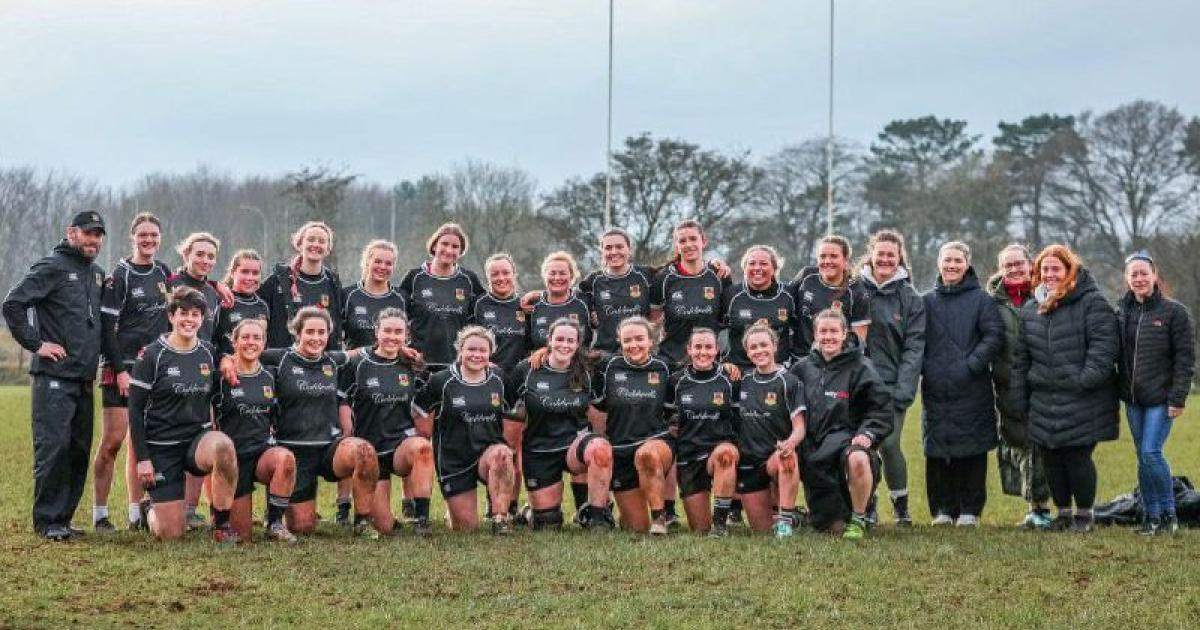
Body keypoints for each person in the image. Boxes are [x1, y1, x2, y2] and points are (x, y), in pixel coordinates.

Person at [227, 307, 380, 537]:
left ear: (328, 335)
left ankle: (361, 522)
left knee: (364, 451)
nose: (316, 338)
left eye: (322, 332)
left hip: (329, 448)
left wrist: (399, 349)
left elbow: (358, 353)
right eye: (310, 332)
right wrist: (225, 361)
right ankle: (275, 516)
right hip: (293, 453)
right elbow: (242, 353)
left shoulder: (332, 360)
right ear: (297, 333)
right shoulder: (279, 359)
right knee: (303, 527)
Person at [3, 211, 107, 540]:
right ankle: (47, 521)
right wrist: (36, 344)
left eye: (98, 235)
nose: (93, 241)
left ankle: (63, 518)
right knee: (54, 448)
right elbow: (13, 304)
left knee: (78, 451)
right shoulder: (52, 267)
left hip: (84, 380)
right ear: (71, 233)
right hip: (54, 380)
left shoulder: (97, 274)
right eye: (88, 234)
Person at [1012, 244, 1119, 533]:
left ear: (1069, 269)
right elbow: (1021, 359)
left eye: (1055, 268)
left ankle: (1084, 516)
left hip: (1084, 397)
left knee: (1076, 457)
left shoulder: (1092, 302)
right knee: (1051, 458)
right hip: (1043, 398)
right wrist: (1020, 396)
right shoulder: (1031, 309)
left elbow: (1104, 348)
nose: (1049, 274)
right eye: (1044, 269)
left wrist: (1083, 380)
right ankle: (1062, 514)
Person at [128, 287, 239, 542]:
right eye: (183, 314)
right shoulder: (151, 355)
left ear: (202, 319)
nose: (189, 320)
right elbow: (135, 410)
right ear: (171, 316)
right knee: (171, 534)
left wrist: (226, 360)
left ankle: (221, 526)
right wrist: (143, 459)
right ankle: (150, 510)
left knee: (223, 445)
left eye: (196, 314)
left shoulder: (208, 352)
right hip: (162, 448)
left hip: (196, 441)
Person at [94, 212, 171, 532]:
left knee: (141, 444)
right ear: (133, 238)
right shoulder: (120, 276)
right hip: (120, 369)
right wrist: (119, 369)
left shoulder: (164, 272)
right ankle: (99, 514)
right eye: (143, 235)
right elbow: (107, 328)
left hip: (152, 370)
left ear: (160, 238)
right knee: (113, 441)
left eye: (154, 235)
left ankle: (136, 513)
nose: (149, 240)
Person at [921, 241, 1003, 527]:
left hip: (972, 387)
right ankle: (942, 509)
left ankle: (970, 509)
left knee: (972, 449)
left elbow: (993, 337)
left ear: (967, 264)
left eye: (958, 260)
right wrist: (927, 368)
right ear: (939, 263)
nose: (952, 265)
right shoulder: (926, 301)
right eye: (947, 260)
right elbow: (917, 340)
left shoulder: (983, 300)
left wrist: (971, 365)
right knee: (937, 450)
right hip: (935, 388)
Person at [506, 318, 616, 531]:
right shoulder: (527, 370)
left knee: (600, 448)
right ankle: (529, 511)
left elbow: (618, 358)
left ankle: (598, 516)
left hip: (573, 446)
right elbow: (509, 407)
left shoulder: (588, 368)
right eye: (559, 339)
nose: (564, 345)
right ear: (549, 341)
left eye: (570, 341)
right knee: (548, 524)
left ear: (578, 344)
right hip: (539, 450)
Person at [792, 310, 892, 539]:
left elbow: (880, 409)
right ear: (814, 334)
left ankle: (860, 517)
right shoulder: (802, 368)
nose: (828, 336)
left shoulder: (862, 367)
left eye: (834, 331)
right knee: (830, 528)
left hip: (847, 443)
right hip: (812, 450)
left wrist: (868, 434)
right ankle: (786, 515)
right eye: (823, 331)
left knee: (858, 457)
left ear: (845, 334)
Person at [1117, 251, 1194, 535]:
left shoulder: (1175, 312)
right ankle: (1150, 517)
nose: (1139, 278)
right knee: (1143, 457)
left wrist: (1178, 398)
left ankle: (1169, 515)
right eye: (1133, 274)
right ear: (1127, 279)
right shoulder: (1122, 311)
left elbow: (1185, 359)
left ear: (1154, 275)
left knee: (1151, 453)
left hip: (1161, 399)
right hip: (1133, 400)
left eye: (1143, 273)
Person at [412, 326, 516, 534]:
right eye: (471, 349)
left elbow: (514, 412)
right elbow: (420, 413)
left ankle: (500, 518)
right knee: (466, 528)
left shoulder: (499, 379)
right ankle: (452, 511)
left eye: (482, 351)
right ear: (460, 350)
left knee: (503, 454)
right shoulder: (441, 381)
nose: (476, 355)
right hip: (454, 461)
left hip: (487, 453)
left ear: (490, 353)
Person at [339, 309, 435, 536]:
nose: (392, 336)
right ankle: (378, 516)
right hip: (369, 451)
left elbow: (428, 399)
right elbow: (340, 398)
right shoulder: (358, 364)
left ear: (406, 335)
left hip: (400, 445)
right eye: (387, 331)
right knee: (384, 527)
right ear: (377, 332)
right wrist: (347, 430)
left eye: (398, 332)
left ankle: (421, 520)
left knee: (422, 448)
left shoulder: (412, 365)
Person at [857, 229, 924, 526]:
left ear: (899, 259)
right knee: (862, 445)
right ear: (871, 255)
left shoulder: (910, 297)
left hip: (894, 386)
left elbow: (914, 346)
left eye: (891, 254)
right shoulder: (854, 289)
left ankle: (901, 505)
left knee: (889, 442)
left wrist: (904, 389)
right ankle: (867, 504)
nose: (884, 259)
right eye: (880, 253)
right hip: (859, 386)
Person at [211, 317, 297, 543]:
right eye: (245, 337)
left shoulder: (271, 375)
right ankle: (219, 515)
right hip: (232, 460)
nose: (251, 342)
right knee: (242, 535)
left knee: (285, 458)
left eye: (257, 337)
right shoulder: (221, 377)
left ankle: (275, 523)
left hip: (261, 453)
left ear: (264, 343)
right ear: (234, 342)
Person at [167, 231, 230, 529]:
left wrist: (225, 359)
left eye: (210, 256)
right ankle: (148, 504)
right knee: (166, 437)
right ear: (185, 254)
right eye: (199, 254)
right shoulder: (168, 285)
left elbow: (219, 337)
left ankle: (191, 509)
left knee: (200, 435)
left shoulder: (216, 293)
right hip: (171, 372)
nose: (205, 260)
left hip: (204, 373)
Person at [987, 244, 1052, 529]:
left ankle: (1046, 507)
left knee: (1044, 445)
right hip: (1006, 384)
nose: (1014, 269)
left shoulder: (1047, 295)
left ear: (1030, 264)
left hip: (1043, 383)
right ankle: (1033, 505)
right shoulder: (991, 301)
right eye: (1008, 265)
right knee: (1020, 444)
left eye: (1018, 264)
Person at [590, 316, 675, 533]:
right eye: (627, 340)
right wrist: (543, 351)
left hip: (655, 443)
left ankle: (660, 518)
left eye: (639, 339)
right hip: (621, 450)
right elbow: (574, 358)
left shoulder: (665, 367)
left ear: (650, 341)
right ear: (620, 341)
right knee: (636, 527)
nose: (634, 344)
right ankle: (623, 514)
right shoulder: (608, 367)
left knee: (646, 455)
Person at [665, 328, 739, 536]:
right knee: (699, 529)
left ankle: (721, 523)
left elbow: (740, 418)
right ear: (689, 349)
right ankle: (708, 521)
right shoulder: (676, 381)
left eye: (708, 347)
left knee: (726, 454)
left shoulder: (729, 378)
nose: (703, 352)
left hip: (719, 448)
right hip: (689, 455)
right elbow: (666, 417)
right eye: (697, 347)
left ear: (717, 349)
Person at [736, 324, 806, 538]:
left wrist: (790, 443)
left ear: (775, 346)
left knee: (788, 457)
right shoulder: (743, 381)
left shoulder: (789, 382)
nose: (759, 351)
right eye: (753, 347)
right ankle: (797, 516)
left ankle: (785, 520)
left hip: (775, 457)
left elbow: (800, 428)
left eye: (764, 345)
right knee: (762, 530)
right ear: (747, 352)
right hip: (749, 463)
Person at [399, 223, 485, 371]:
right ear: (434, 246)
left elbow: (488, 310)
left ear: (461, 251)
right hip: (418, 363)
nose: (449, 250)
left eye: (455, 246)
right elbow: (396, 316)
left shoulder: (469, 279)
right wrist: (401, 346)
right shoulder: (414, 277)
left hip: (458, 365)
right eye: (444, 244)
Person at [650, 220, 731, 366]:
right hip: (672, 361)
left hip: (710, 362)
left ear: (704, 242)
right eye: (682, 241)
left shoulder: (719, 275)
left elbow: (727, 322)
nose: (688, 245)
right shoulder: (664, 278)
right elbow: (651, 323)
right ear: (677, 245)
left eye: (693, 239)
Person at [258, 221, 345, 350]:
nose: (316, 244)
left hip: (321, 364)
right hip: (282, 362)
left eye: (321, 241)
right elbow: (251, 302)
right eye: (310, 239)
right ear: (299, 244)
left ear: (328, 249)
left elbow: (338, 325)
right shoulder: (279, 278)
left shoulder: (333, 282)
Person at [788, 235, 871, 357]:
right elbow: (784, 300)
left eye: (833, 256)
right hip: (800, 359)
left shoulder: (856, 290)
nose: (827, 261)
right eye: (822, 256)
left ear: (845, 260)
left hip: (835, 365)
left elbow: (859, 340)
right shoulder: (807, 276)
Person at [578, 228, 656, 355]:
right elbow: (569, 299)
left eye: (619, 247)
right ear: (602, 252)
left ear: (629, 249)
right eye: (608, 248)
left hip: (640, 353)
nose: (614, 252)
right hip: (605, 354)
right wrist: (591, 312)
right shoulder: (592, 281)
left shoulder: (646, 275)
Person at [721, 245, 797, 371]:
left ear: (774, 268)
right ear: (744, 268)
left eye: (763, 263)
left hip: (777, 370)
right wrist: (723, 362)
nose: (757, 268)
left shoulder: (789, 295)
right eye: (751, 263)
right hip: (739, 370)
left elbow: (801, 330)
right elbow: (713, 329)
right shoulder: (731, 295)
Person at [342, 240, 407, 350]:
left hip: (392, 365)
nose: (382, 267)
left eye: (388, 263)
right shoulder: (347, 295)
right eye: (377, 261)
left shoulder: (402, 298)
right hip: (356, 365)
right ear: (367, 262)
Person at [472, 253, 531, 372]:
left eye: (506, 273)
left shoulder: (526, 305)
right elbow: (467, 341)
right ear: (488, 277)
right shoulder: (477, 304)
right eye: (494, 274)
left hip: (518, 377)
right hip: (486, 376)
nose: (501, 278)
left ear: (514, 275)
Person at [528, 252, 592, 350]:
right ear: (544, 276)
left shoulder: (585, 301)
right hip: (542, 364)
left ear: (571, 276)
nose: (557, 278)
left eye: (562, 273)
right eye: (552, 273)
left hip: (580, 364)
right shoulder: (532, 305)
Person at [214, 249, 271, 357]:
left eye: (255, 273)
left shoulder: (263, 306)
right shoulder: (221, 300)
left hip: (253, 370)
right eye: (245, 272)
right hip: (227, 368)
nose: (250, 278)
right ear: (232, 273)